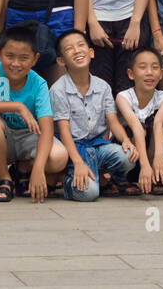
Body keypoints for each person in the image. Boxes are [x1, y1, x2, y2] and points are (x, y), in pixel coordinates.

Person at [0, 23, 69, 203]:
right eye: (9, 56)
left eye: (24, 58)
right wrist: (17, 106)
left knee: (59, 157)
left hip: (28, 137)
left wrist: (38, 168)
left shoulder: (38, 83)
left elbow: (47, 129)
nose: (16, 63)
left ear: (35, 59)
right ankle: (4, 179)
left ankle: (24, 169)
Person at [50, 30, 139, 200]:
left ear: (91, 52)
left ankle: (106, 177)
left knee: (128, 156)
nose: (77, 50)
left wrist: (126, 141)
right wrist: (77, 162)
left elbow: (113, 122)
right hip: (73, 150)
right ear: (61, 61)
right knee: (89, 194)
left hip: (97, 147)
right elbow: (64, 132)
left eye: (81, 45)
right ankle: (68, 179)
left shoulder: (103, 86)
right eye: (69, 49)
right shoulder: (58, 90)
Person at [115, 47, 163, 195]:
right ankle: (124, 178)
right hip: (131, 150)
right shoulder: (123, 97)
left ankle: (156, 176)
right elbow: (136, 127)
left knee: (161, 131)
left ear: (161, 74)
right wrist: (144, 165)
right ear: (131, 74)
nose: (149, 72)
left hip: (152, 152)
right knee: (136, 130)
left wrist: (159, 157)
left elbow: (159, 123)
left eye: (155, 67)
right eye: (142, 67)